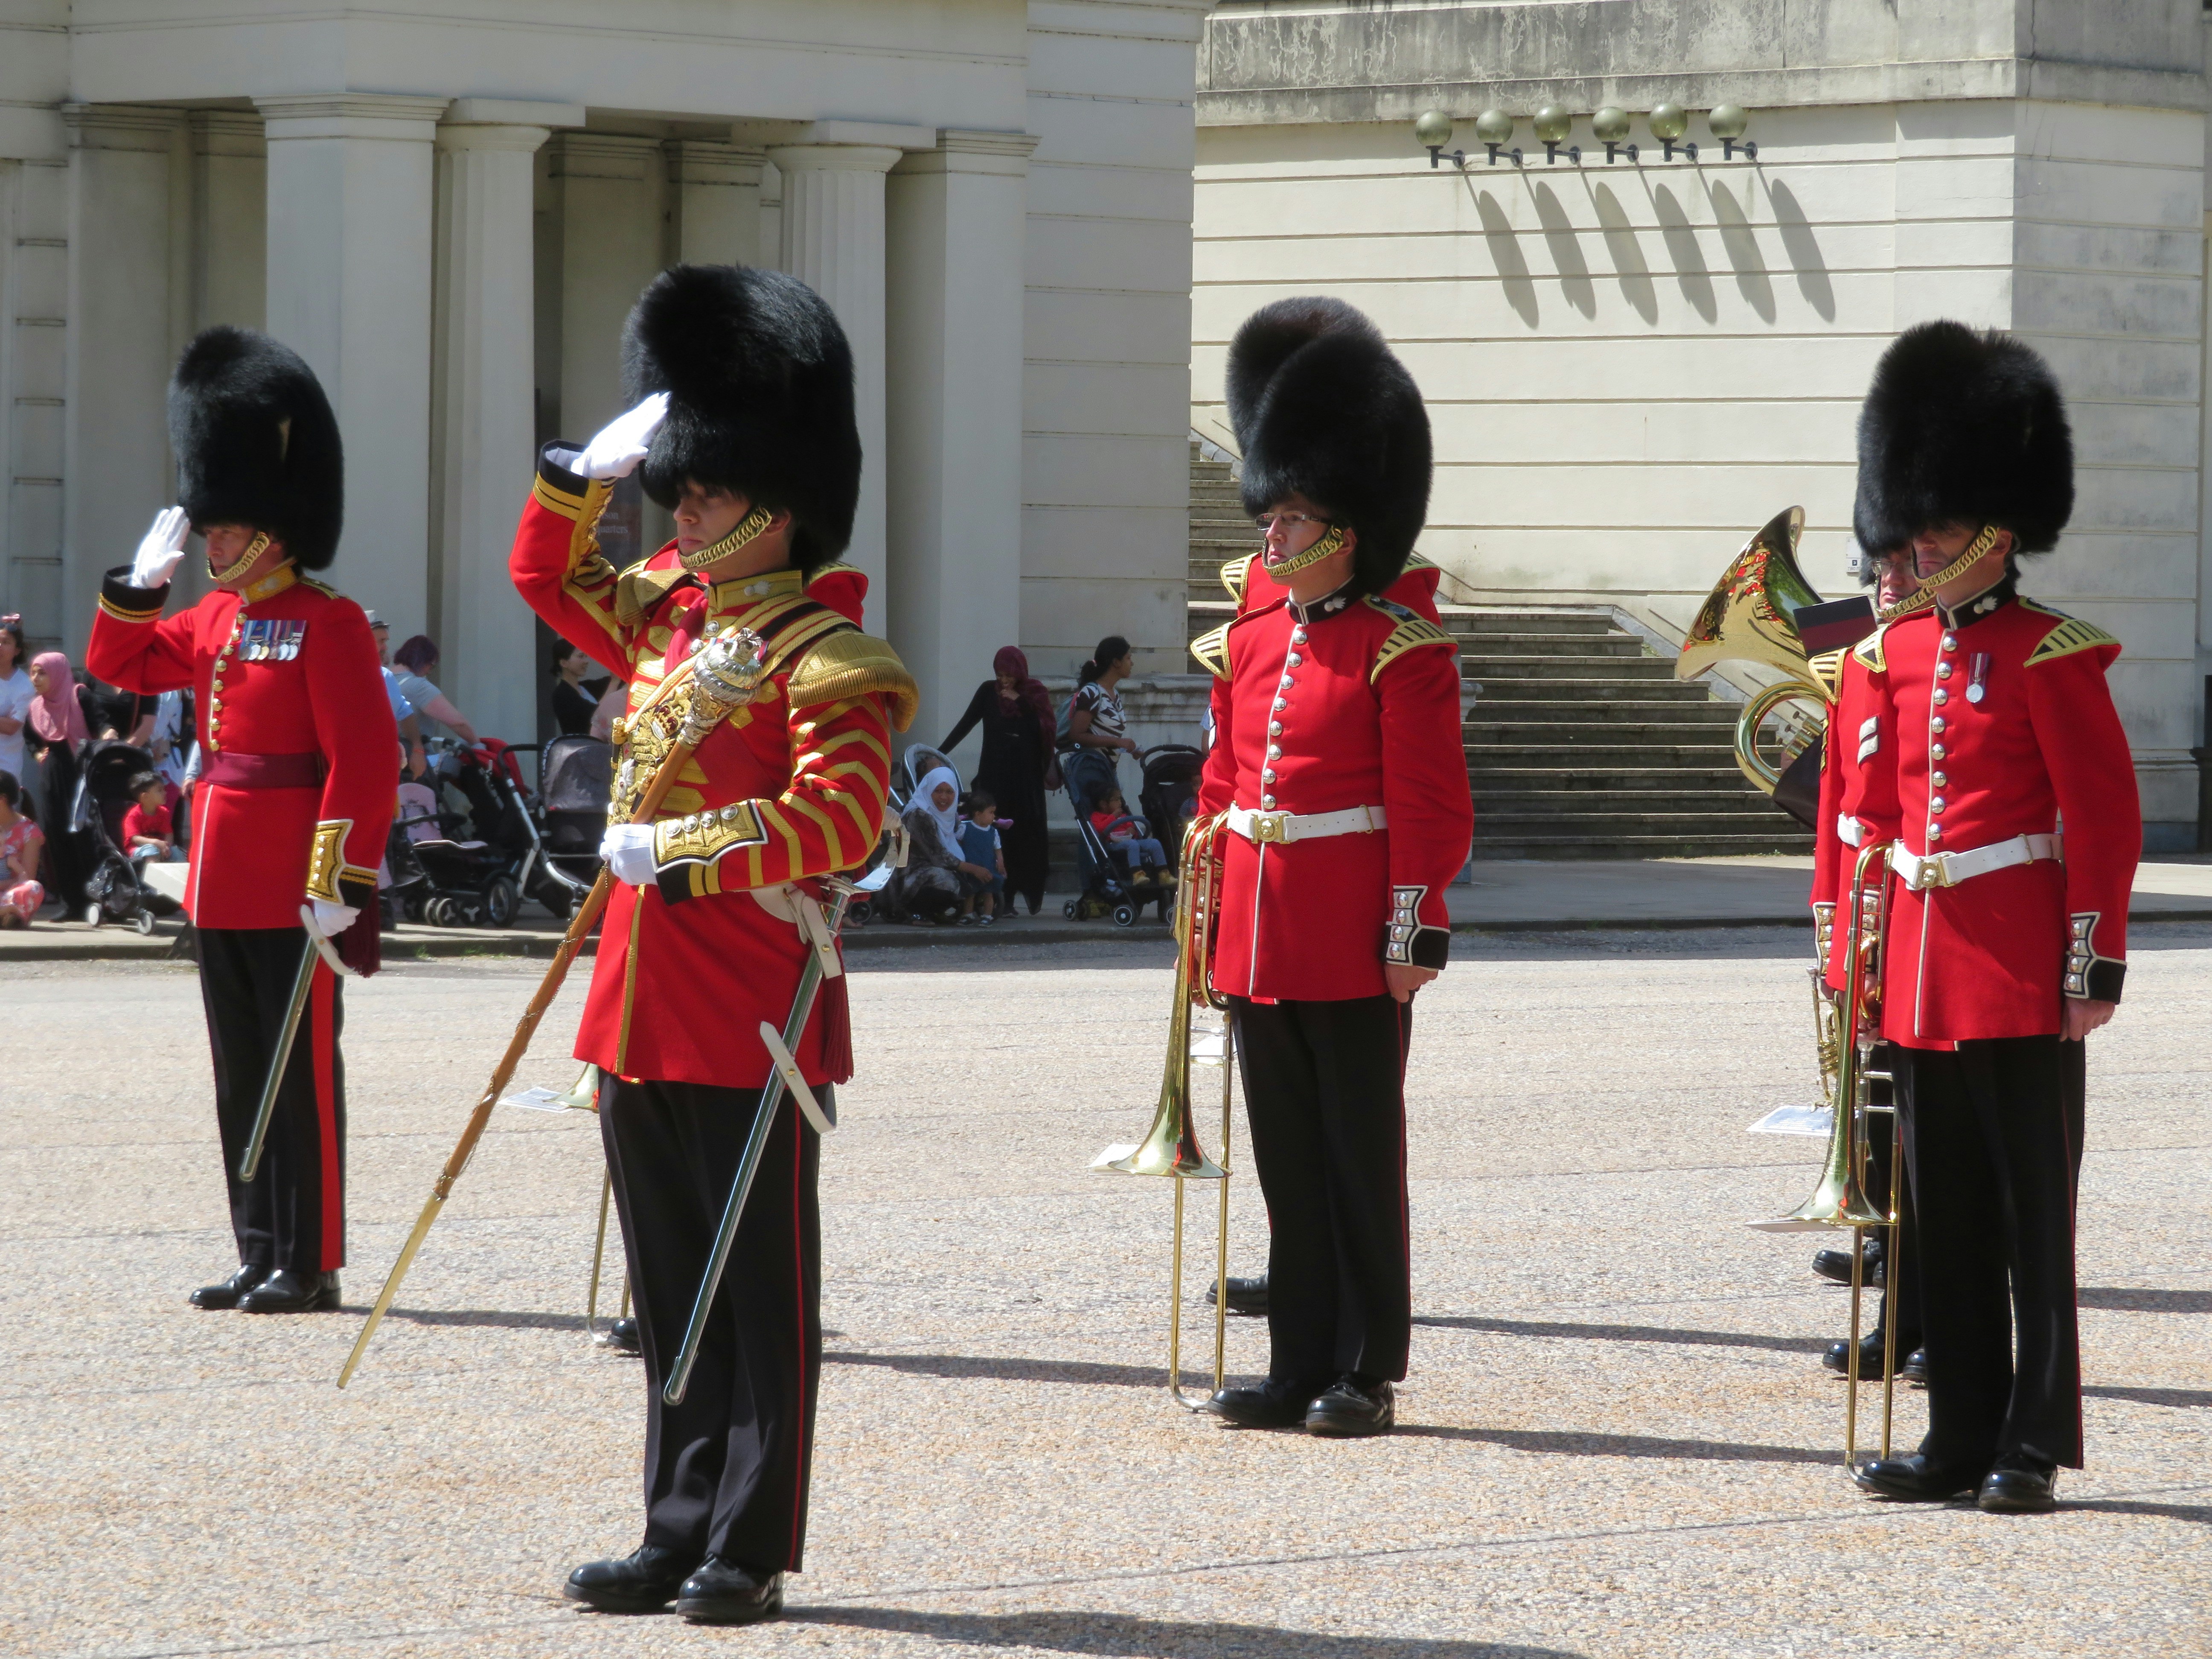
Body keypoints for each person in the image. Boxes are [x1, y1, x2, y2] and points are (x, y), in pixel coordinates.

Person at [509, 263, 915, 1625]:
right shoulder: (674, 621)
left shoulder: (827, 653)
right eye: (678, 490)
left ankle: (753, 1539)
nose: (681, 509)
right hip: (638, 1001)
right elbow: (543, 574)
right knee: (669, 1287)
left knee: (759, 1294)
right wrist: (579, 474)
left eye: (705, 490)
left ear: (779, 506)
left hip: (750, 999)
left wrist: (682, 853)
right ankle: (674, 1522)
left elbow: (844, 819)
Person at [1837, 321, 2139, 1516]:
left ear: (1998, 536)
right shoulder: (1894, 654)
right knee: (1941, 1221)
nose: (1920, 547)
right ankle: (1957, 1429)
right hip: (1919, 971)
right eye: (1917, 528)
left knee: (2031, 1227)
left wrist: (2090, 963)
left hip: (2017, 971)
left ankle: (2034, 1441)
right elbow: (1870, 822)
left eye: (1942, 530)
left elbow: (2101, 827)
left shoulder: (2052, 654)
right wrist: (1857, 957)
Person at [1193, 297, 1473, 1440]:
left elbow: (1432, 812)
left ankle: (1365, 1364)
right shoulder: (1256, 637)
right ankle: (1296, 1355)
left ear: (1346, 530)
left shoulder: (1402, 648)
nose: (1273, 540)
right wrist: (1211, 919)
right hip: (1263, 931)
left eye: (1294, 521)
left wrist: (1410, 935)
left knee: (1361, 1159)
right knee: (1286, 1159)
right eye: (1275, 517)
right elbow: (1223, 787)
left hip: (1354, 936)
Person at [85, 325, 396, 1315]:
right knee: (239, 1076)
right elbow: (120, 668)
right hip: (222, 877)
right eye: (210, 531)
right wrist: (135, 594)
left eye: (224, 531)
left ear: (274, 526)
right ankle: (259, 1245)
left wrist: (338, 882)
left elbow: (365, 760)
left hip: (294, 880)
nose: (210, 543)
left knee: (298, 1079)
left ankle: (314, 1258)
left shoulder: (328, 621)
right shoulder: (215, 618)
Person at [1808, 542, 1925, 1388]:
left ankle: (1921, 1315)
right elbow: (1833, 808)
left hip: (1923, 918)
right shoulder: (1853, 666)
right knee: (1876, 1133)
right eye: (1882, 563)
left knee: (1931, 1142)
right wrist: (1831, 925)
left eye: (1909, 562)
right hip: (1866, 922)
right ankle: (1895, 1290)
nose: (1890, 577)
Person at [939, 646, 1056, 914]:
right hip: (994, 778)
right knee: (988, 834)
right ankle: (987, 897)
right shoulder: (987, 692)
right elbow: (966, 723)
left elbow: (1045, 733)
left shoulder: (1034, 694)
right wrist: (939, 753)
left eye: (1009, 676)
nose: (1004, 681)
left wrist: (1022, 704)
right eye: (1000, 675)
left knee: (1020, 838)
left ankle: (1011, 897)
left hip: (1025, 782)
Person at [25, 649, 92, 904]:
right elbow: (30, 738)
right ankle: (71, 902)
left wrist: (108, 733)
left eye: (42, 673)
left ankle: (94, 898)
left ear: (57, 673)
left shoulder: (79, 696)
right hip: (53, 775)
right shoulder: (36, 707)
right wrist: (38, 755)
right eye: (33, 673)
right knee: (56, 834)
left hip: (81, 772)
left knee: (84, 834)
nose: (36, 678)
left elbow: (99, 723)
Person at [888, 765, 977, 924]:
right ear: (928, 790)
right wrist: (975, 869)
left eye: (950, 792)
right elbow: (939, 856)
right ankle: (913, 913)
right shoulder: (920, 814)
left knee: (960, 881)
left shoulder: (949, 814)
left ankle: (934, 912)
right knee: (950, 883)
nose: (944, 797)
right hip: (909, 875)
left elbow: (958, 833)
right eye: (938, 791)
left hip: (930, 869)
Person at [1062, 634, 1138, 812]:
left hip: (1108, 769)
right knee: (1097, 824)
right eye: (1128, 658)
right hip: (1091, 770)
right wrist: (1117, 742)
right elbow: (1077, 735)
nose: (1131, 663)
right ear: (1116, 662)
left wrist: (1130, 747)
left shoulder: (1114, 694)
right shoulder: (1092, 693)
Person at [390, 635, 479, 745]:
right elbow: (459, 724)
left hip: (386, 752)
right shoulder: (418, 686)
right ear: (422, 660)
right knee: (463, 747)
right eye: (431, 666)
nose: (429, 672)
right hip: (414, 755)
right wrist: (479, 746)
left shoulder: (383, 679)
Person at [368, 611, 427, 779]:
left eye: (386, 641)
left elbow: (404, 712)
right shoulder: (336, 678)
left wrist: (417, 749)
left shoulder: (385, 677)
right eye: (381, 641)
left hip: (384, 771)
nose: (385, 648)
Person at [1087, 784, 1169, 889]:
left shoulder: (1122, 815)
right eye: (1116, 800)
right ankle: (1137, 874)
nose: (1120, 803)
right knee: (1133, 844)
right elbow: (1100, 829)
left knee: (1155, 843)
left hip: (1129, 841)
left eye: (1120, 799)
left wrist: (1131, 830)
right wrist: (1113, 817)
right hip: (1113, 844)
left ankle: (1164, 874)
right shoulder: (1097, 817)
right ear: (1103, 804)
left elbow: (1130, 824)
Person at [0, 771, 44, 926]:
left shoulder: (29, 832)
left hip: (8, 894)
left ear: (2, 799)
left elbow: (26, 877)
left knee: (34, 888)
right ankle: (6, 915)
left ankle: (8, 913)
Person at [955, 789, 1006, 924]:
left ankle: (987, 916)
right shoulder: (965, 829)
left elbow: (998, 849)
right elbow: (957, 844)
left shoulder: (993, 832)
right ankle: (968, 915)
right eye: (990, 813)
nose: (993, 816)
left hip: (988, 867)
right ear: (978, 814)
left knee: (989, 893)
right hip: (971, 867)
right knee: (970, 894)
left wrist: (1000, 863)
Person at [551, 638, 608, 736]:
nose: (586, 661)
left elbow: (613, 680)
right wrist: (614, 683)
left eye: (586, 656)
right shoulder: (562, 694)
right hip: (580, 747)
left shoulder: (588, 687)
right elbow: (596, 716)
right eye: (581, 656)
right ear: (564, 663)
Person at [0, 615, 32, 788]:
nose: (0, 647)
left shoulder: (25, 685)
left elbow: (12, 727)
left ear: (17, 650)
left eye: (6, 642)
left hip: (6, 767)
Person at [121, 770, 177, 863]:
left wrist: (168, 847)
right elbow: (135, 839)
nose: (165, 793)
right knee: (151, 850)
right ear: (145, 797)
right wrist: (156, 843)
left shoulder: (164, 813)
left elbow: (168, 834)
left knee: (176, 852)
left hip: (160, 847)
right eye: (160, 790)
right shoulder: (134, 815)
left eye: (164, 789)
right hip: (138, 849)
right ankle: (152, 876)